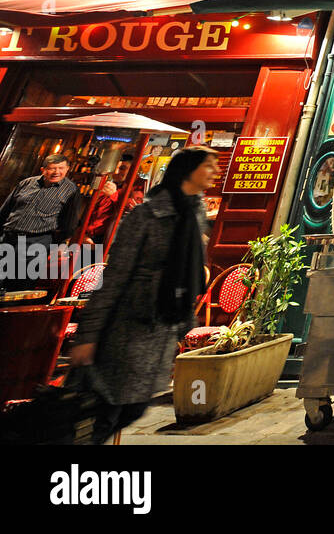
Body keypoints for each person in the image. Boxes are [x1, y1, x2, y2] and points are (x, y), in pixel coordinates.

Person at [67, 146, 220, 443]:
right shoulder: (147, 215)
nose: (215, 171)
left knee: (133, 406)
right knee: (108, 407)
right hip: (130, 323)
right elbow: (115, 276)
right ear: (189, 170)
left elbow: (188, 270)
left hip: (163, 324)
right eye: (209, 165)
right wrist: (88, 336)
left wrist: (184, 320)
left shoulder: (194, 212)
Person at [0, 153, 83, 289]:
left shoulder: (71, 190)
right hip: (8, 237)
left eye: (61, 168)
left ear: (67, 169)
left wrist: (56, 243)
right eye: (52, 168)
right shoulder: (27, 183)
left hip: (36, 242)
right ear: (43, 170)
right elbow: (5, 210)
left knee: (18, 285)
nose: (57, 172)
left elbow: (69, 223)